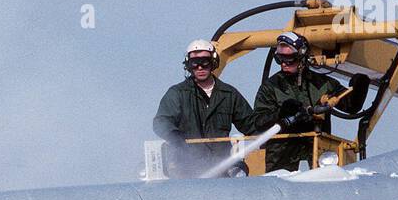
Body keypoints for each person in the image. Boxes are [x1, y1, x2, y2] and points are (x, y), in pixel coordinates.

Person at [253, 32, 369, 172]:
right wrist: (281, 114)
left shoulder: (322, 85)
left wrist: (360, 86)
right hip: (281, 163)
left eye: (289, 59)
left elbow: (351, 107)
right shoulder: (271, 87)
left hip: (317, 161)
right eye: (280, 59)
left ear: (301, 56)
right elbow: (258, 122)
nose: (284, 64)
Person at [153, 39, 261, 176]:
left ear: (213, 62)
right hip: (187, 170)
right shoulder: (177, 94)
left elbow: (251, 125)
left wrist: (276, 120)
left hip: (222, 169)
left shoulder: (228, 94)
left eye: (205, 62)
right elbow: (161, 122)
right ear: (188, 65)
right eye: (194, 63)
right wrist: (175, 137)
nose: (200, 67)